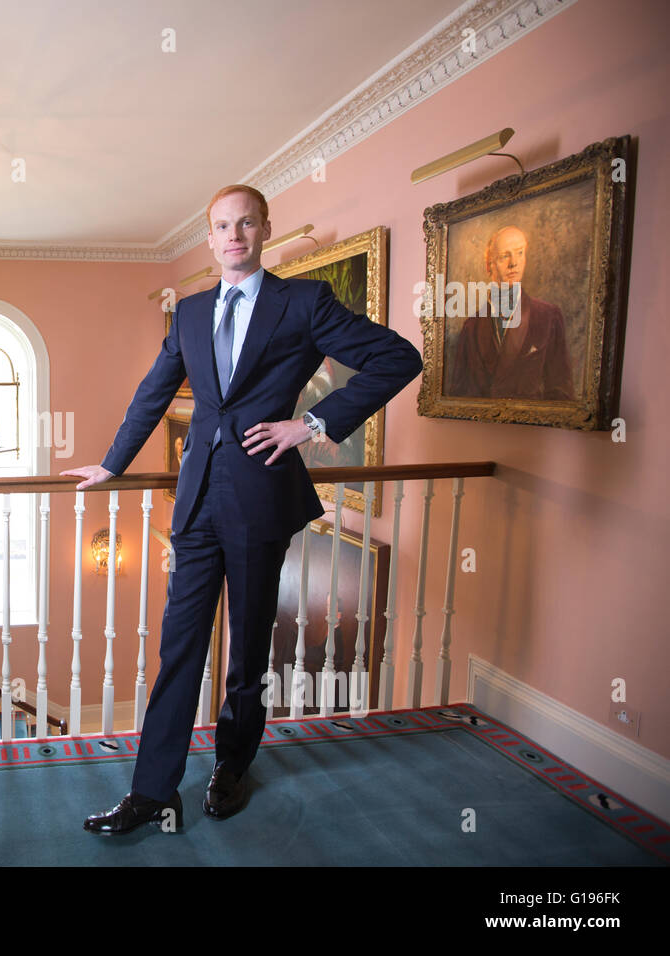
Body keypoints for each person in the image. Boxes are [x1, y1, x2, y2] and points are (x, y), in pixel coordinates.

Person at [62, 185, 422, 834]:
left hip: (259, 496)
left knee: (248, 651)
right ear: (210, 238)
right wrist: (114, 462)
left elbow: (397, 359)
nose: (234, 235)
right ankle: (152, 792)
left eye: (246, 223)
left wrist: (310, 424)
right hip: (196, 500)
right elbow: (153, 392)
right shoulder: (191, 312)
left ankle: (232, 766)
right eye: (222, 226)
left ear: (264, 230)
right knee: (179, 649)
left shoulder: (304, 302)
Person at [444, 226, 573, 401]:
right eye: (505, 256)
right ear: (489, 266)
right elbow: (458, 395)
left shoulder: (548, 316)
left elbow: (562, 392)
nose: (514, 263)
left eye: (520, 253)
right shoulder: (471, 327)